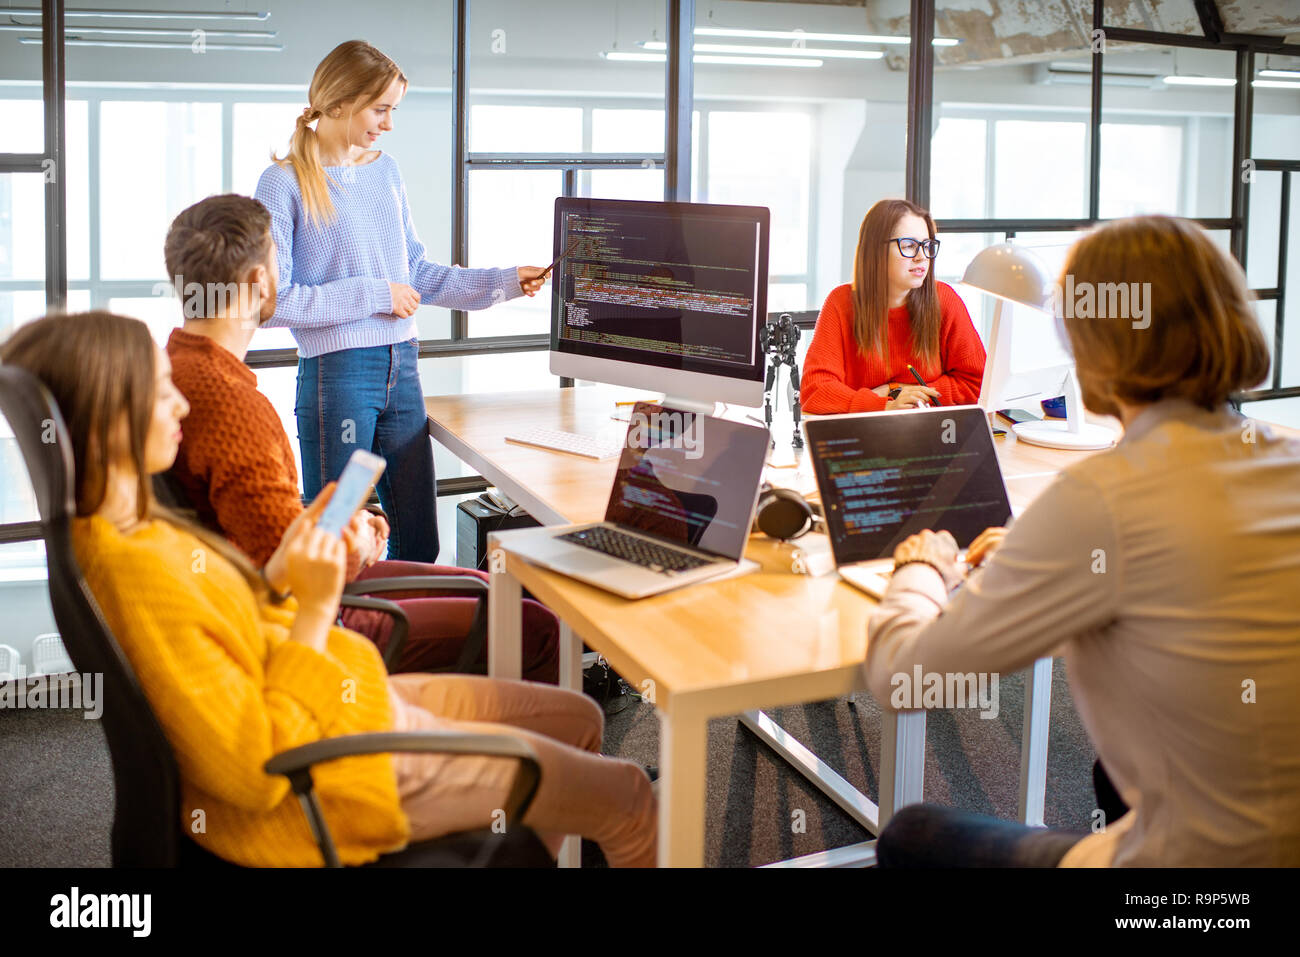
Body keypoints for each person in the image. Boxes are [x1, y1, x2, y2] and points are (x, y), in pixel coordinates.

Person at [1, 311, 656, 867]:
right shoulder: (138, 571)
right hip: (334, 771)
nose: (181, 403)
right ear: (106, 416)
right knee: (628, 795)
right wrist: (316, 604)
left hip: (350, 706)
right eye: (161, 389)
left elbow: (234, 639)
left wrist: (284, 573)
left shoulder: (129, 530)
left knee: (579, 718)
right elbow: (257, 767)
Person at [864, 215, 1300, 867]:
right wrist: (1034, 555)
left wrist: (921, 568)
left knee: (909, 834)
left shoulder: (1101, 498)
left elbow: (906, 677)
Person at [162, 193, 559, 681]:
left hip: (259, 601)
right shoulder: (233, 405)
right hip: (313, 619)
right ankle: (488, 750)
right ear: (259, 281)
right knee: (536, 622)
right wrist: (360, 545)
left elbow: (263, 526)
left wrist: (341, 528)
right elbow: (291, 572)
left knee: (487, 584)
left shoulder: (173, 371)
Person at [254, 39, 547, 564]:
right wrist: (374, 294)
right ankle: (343, 641)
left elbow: (416, 275)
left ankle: (408, 640)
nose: (388, 124)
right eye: (380, 108)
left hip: (402, 369)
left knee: (419, 541)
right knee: (336, 536)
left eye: (393, 110)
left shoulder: (385, 172)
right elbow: (273, 303)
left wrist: (505, 281)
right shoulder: (283, 184)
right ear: (339, 101)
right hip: (337, 377)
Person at [801, 199, 985, 414]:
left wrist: (901, 393)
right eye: (908, 246)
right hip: (863, 434)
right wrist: (885, 404)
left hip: (930, 432)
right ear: (876, 250)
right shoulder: (841, 303)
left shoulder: (944, 299)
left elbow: (978, 383)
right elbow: (815, 391)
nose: (921, 257)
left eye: (927, 246)